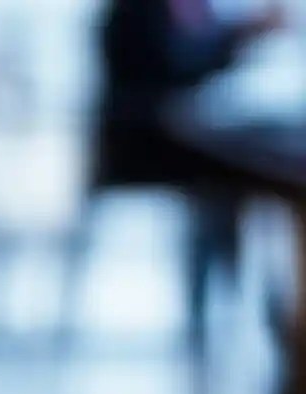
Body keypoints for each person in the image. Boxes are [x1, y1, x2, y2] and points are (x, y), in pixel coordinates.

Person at [95, 0, 287, 343]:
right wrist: (241, 36)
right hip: (144, 141)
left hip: (181, 135)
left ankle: (270, 309)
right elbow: (179, 67)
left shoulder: (193, 9)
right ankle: (252, 308)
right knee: (235, 177)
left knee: (254, 179)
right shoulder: (135, 10)